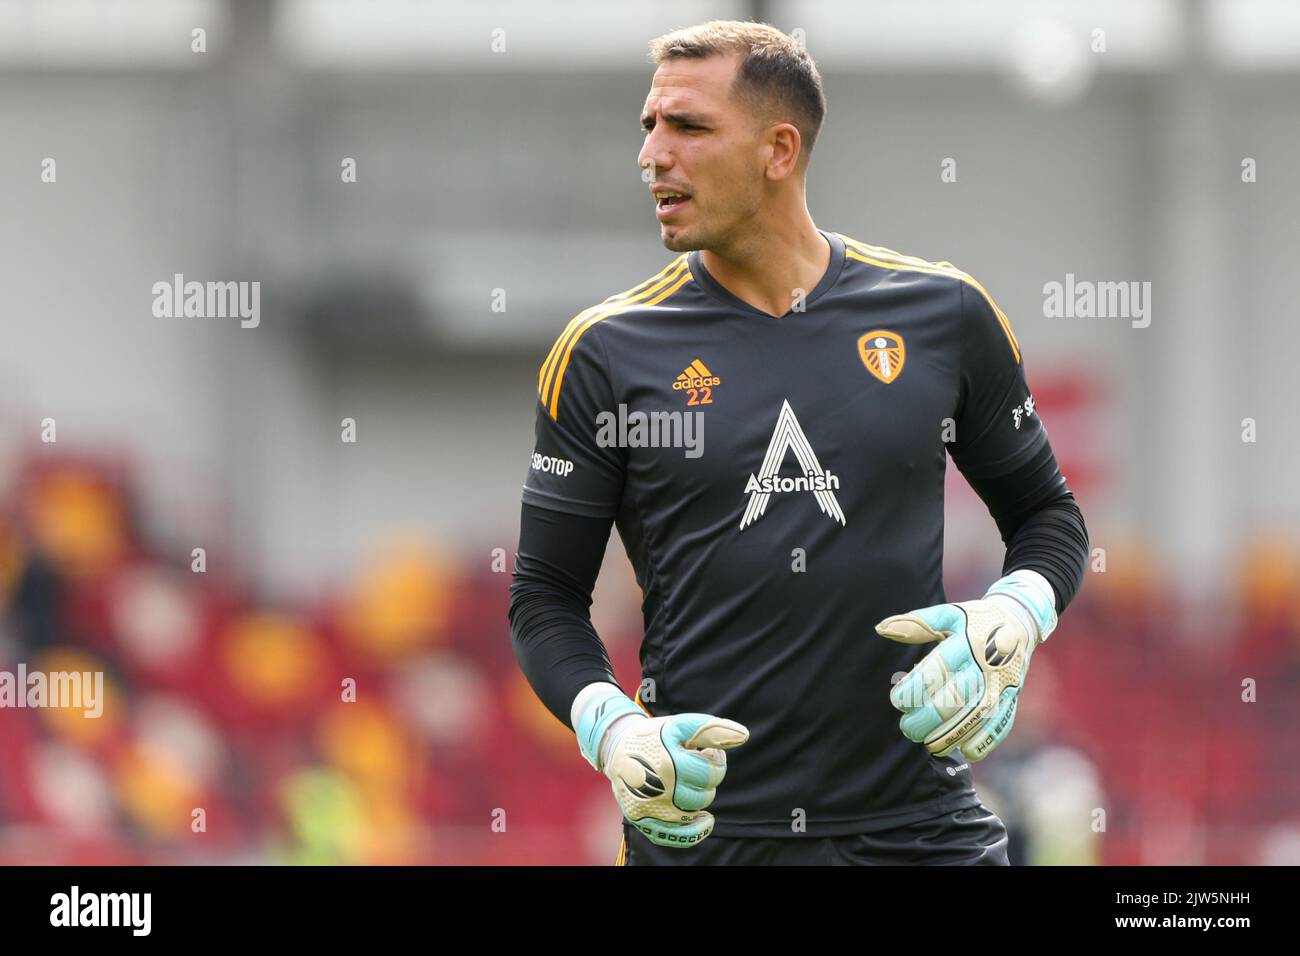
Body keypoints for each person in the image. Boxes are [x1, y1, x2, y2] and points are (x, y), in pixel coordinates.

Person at [508, 20, 1088, 866]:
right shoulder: (604, 351)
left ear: (780, 149)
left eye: (688, 127)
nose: (653, 156)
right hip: (705, 838)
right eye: (649, 127)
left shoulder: (944, 315)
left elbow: (1049, 516)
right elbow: (543, 595)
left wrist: (1014, 614)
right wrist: (611, 726)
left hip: (921, 833)